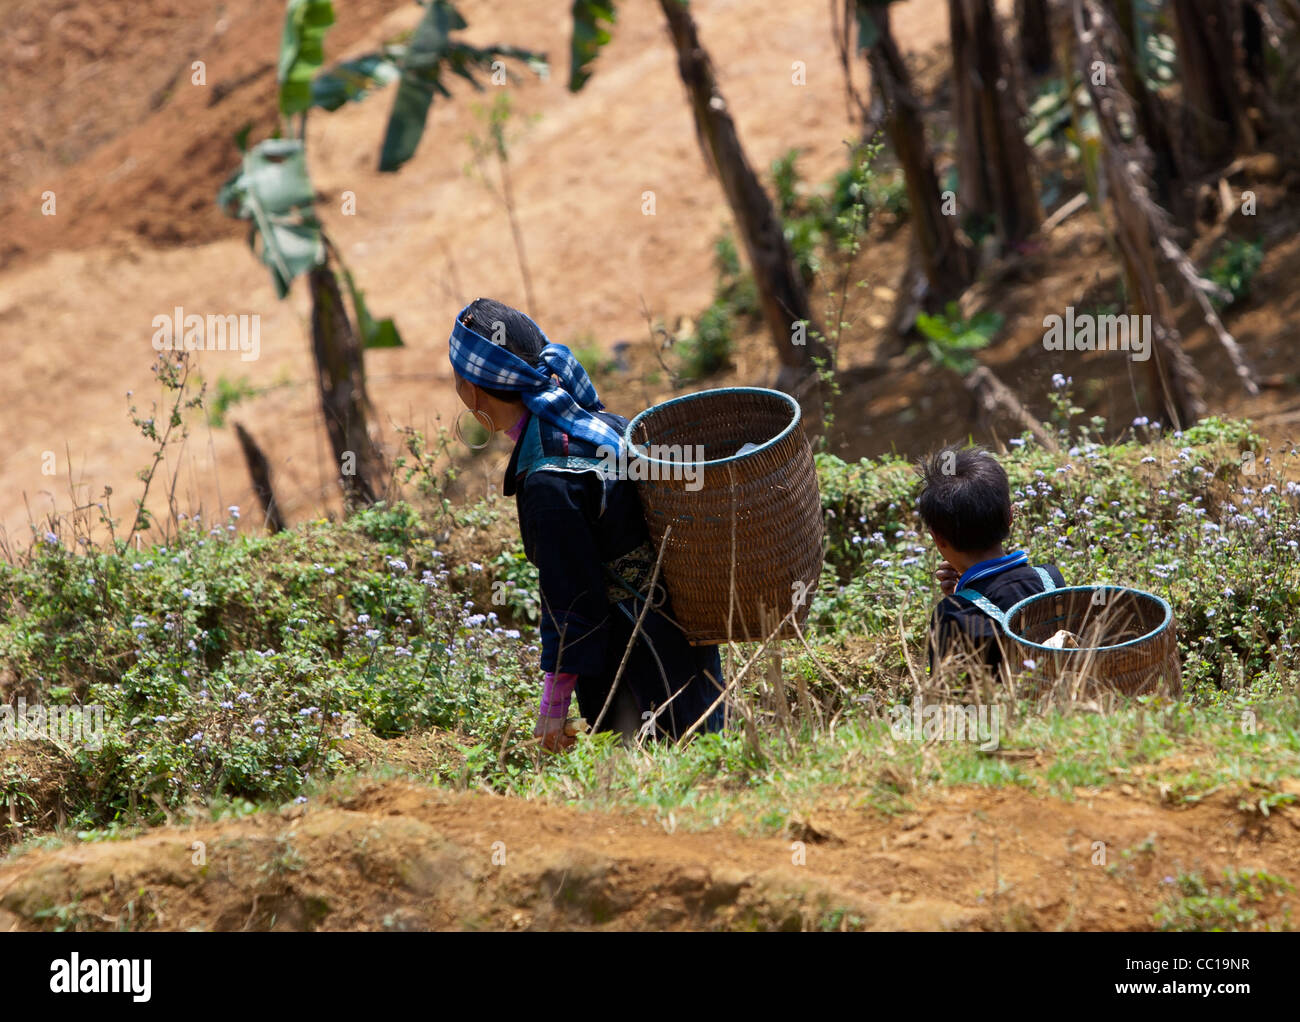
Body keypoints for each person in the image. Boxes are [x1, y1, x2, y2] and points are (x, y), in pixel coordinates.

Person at [448, 297, 725, 751]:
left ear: (471, 389)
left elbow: (573, 605)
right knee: (712, 759)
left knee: (656, 778)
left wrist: (552, 712)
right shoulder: (599, 424)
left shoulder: (548, 480)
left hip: (636, 665)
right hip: (683, 635)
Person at [917, 445, 1065, 677]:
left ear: (938, 538)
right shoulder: (1050, 580)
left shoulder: (952, 615)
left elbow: (947, 698)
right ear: (1010, 516)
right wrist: (964, 597)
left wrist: (959, 603)